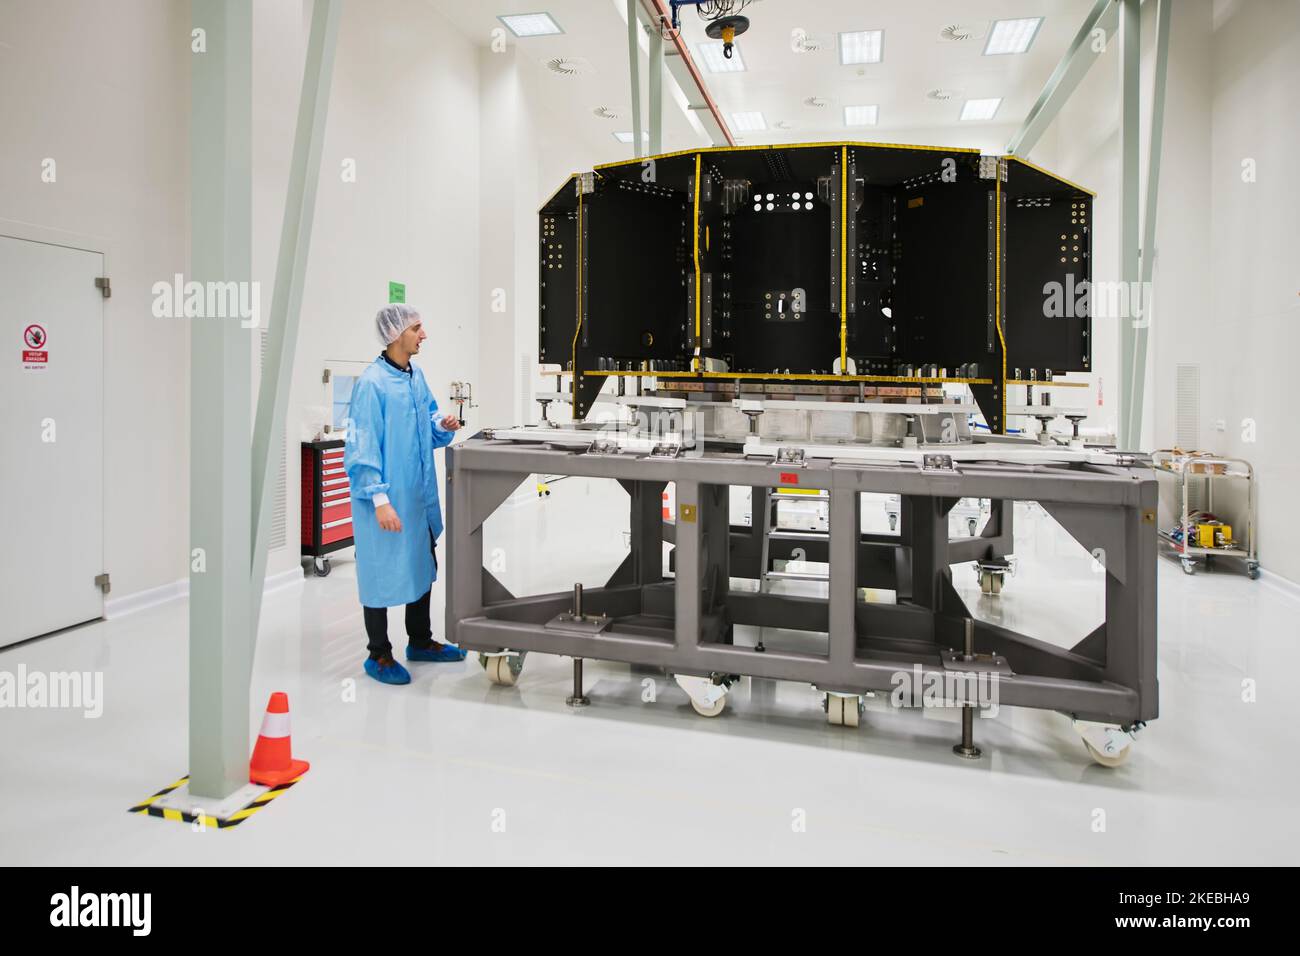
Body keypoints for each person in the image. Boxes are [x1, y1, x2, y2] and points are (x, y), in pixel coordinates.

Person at [344, 303, 465, 685]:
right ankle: (378, 654)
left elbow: (426, 420)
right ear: (396, 334)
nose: (423, 335)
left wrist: (442, 424)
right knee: (379, 571)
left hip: (416, 497)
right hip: (385, 501)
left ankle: (420, 641)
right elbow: (362, 447)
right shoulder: (371, 384)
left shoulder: (415, 376)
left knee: (420, 564)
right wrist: (380, 501)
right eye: (416, 328)